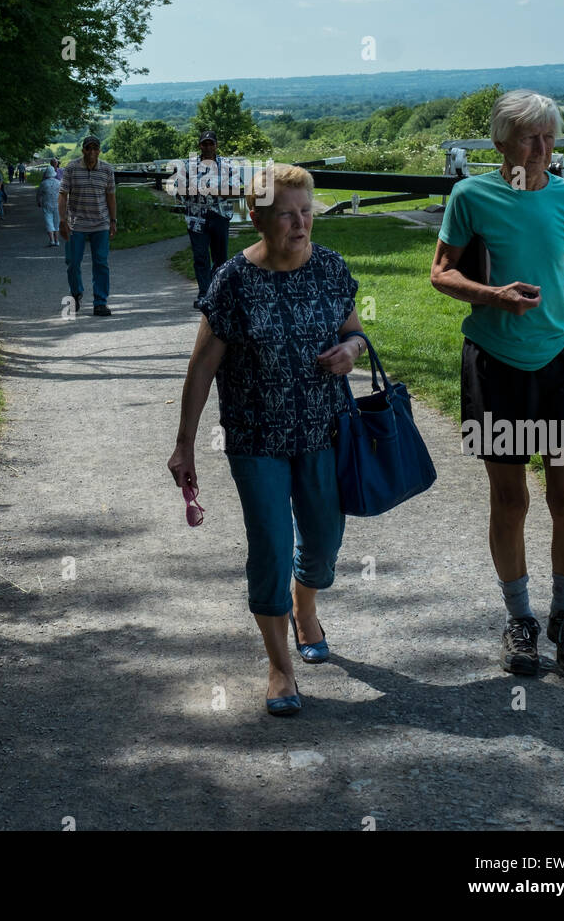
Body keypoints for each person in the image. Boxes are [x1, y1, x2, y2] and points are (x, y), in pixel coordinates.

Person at [168, 163, 368, 716]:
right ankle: (280, 667)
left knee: (323, 543)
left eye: (307, 212)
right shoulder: (232, 281)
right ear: (255, 218)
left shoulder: (330, 269)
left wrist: (350, 351)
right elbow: (202, 365)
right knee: (271, 545)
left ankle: (308, 606)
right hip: (256, 439)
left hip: (323, 432)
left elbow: (354, 331)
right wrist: (185, 443)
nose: (301, 224)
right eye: (287, 214)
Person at [430, 89, 564, 677]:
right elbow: (441, 272)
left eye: (550, 136)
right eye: (531, 138)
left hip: (558, 364)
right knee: (510, 499)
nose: (542, 149)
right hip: (496, 366)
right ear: (502, 141)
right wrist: (493, 297)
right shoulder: (470, 195)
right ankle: (521, 619)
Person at [174, 130, 241, 309]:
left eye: (211, 143)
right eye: (205, 144)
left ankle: (216, 292)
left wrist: (209, 190)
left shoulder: (228, 165)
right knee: (200, 255)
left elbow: (235, 191)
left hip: (220, 215)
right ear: (200, 146)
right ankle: (203, 293)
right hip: (196, 217)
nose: (208, 147)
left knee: (220, 257)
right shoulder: (187, 165)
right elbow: (178, 191)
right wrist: (194, 190)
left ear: (216, 145)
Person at [58, 135, 117, 317]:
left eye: (95, 148)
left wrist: (113, 221)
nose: (92, 152)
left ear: (99, 150)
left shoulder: (106, 169)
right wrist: (62, 220)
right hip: (76, 224)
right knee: (72, 263)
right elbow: (63, 195)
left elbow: (110, 196)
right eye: (88, 148)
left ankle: (100, 302)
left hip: (100, 223)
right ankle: (76, 292)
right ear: (83, 150)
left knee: (101, 262)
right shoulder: (72, 168)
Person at [36, 165, 60, 246]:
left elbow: (39, 194)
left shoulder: (43, 183)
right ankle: (57, 241)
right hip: (57, 204)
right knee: (56, 223)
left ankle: (52, 240)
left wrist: (38, 201)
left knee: (49, 222)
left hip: (47, 204)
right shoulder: (59, 183)